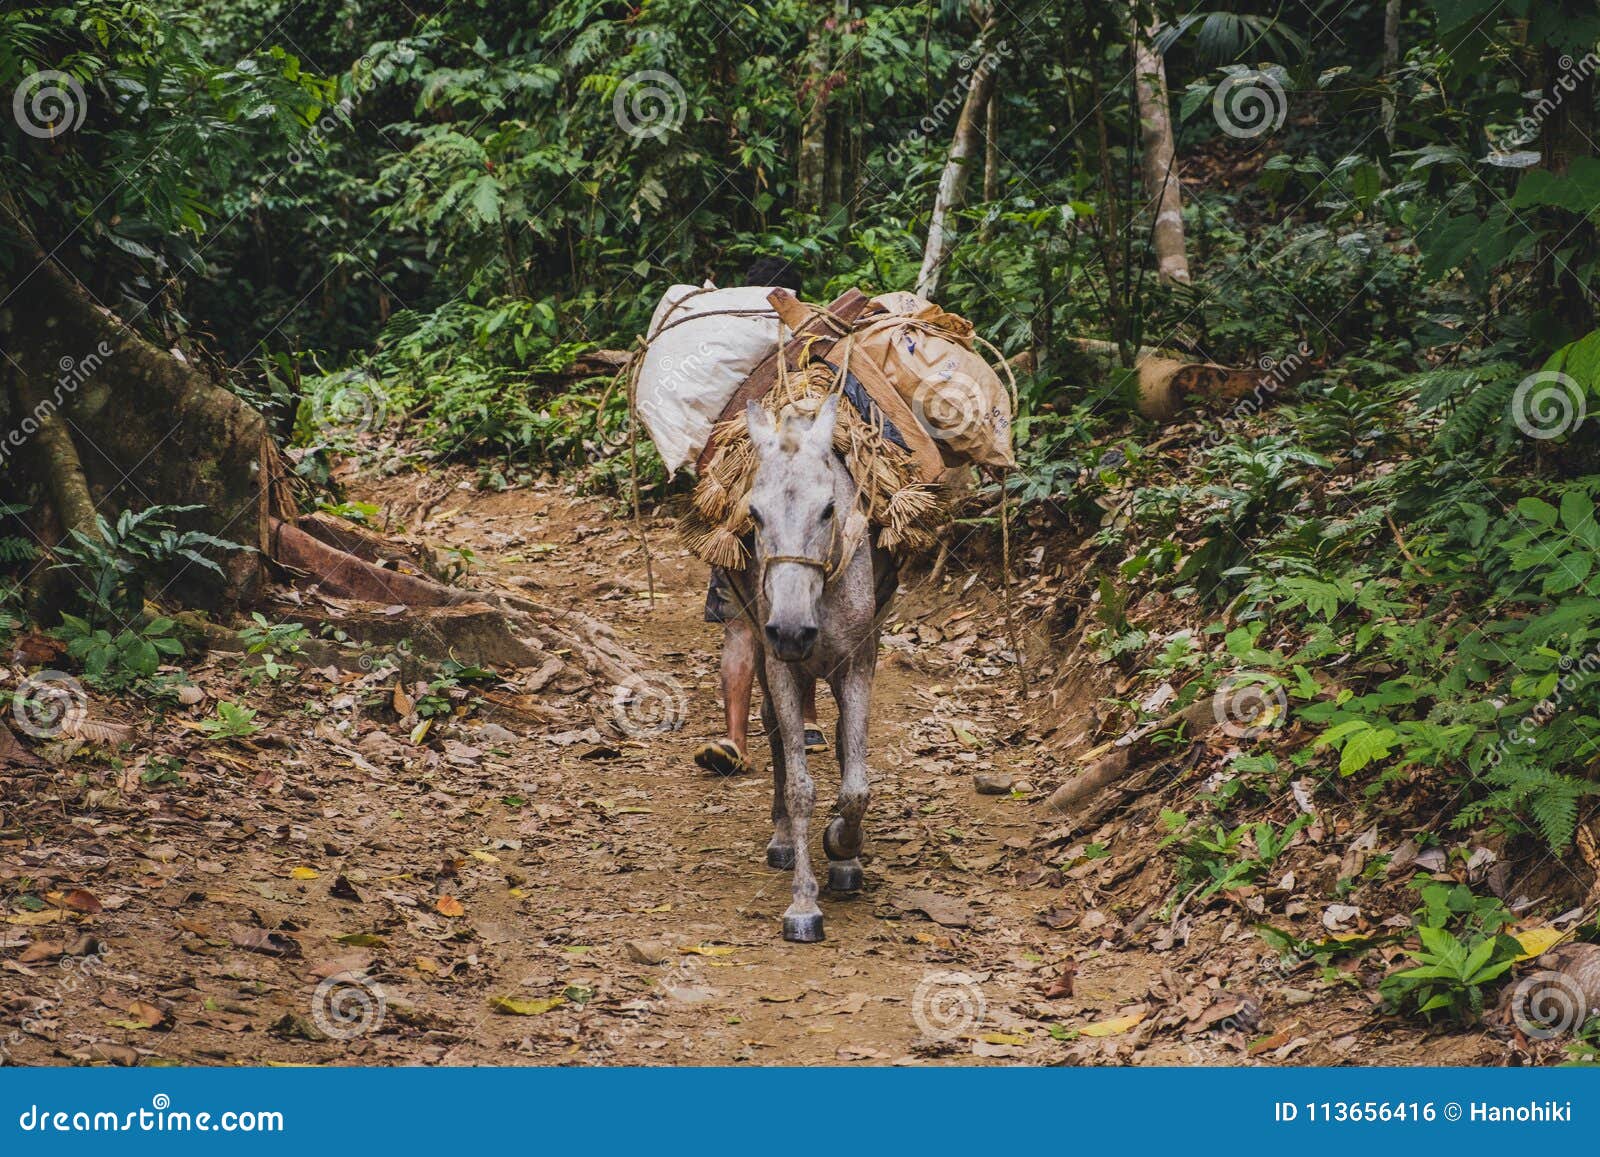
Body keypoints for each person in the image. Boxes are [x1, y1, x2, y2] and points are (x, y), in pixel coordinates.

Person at [693, 256, 825, 777]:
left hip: (744, 504)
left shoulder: (731, 346)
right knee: (803, 597)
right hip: (796, 500)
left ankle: (734, 739)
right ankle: (809, 719)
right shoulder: (818, 343)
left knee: (742, 624)